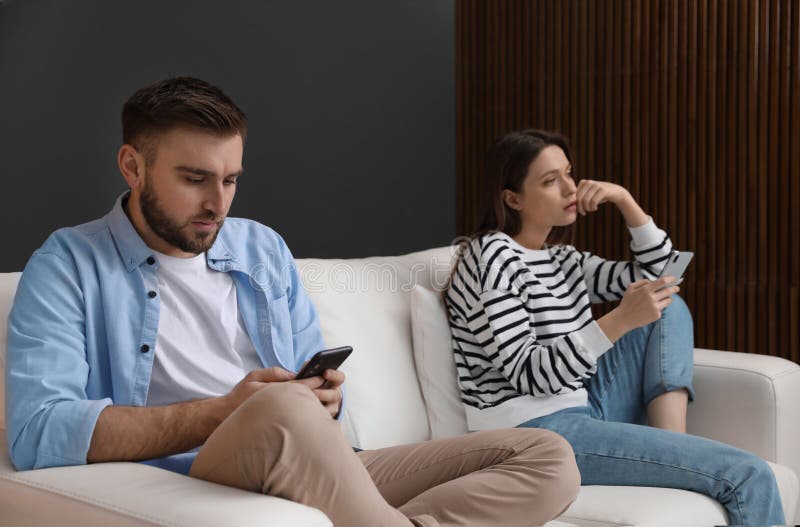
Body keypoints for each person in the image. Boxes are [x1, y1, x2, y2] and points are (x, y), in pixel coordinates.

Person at [6, 79, 581, 527]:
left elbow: (315, 392)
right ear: (133, 167)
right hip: (202, 468)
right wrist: (224, 411)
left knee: (548, 457)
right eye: (195, 179)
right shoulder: (67, 265)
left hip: (318, 454)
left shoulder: (261, 248)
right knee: (281, 407)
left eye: (231, 180)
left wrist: (328, 397)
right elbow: (38, 431)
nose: (217, 203)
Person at [445, 129, 785, 526]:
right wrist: (619, 319)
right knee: (748, 475)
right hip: (533, 434)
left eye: (568, 173)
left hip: (581, 407)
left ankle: (673, 444)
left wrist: (625, 201)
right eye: (551, 181)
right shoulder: (490, 257)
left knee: (667, 305)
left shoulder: (561, 260)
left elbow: (664, 275)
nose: (570, 188)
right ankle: (677, 456)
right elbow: (529, 375)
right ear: (512, 199)